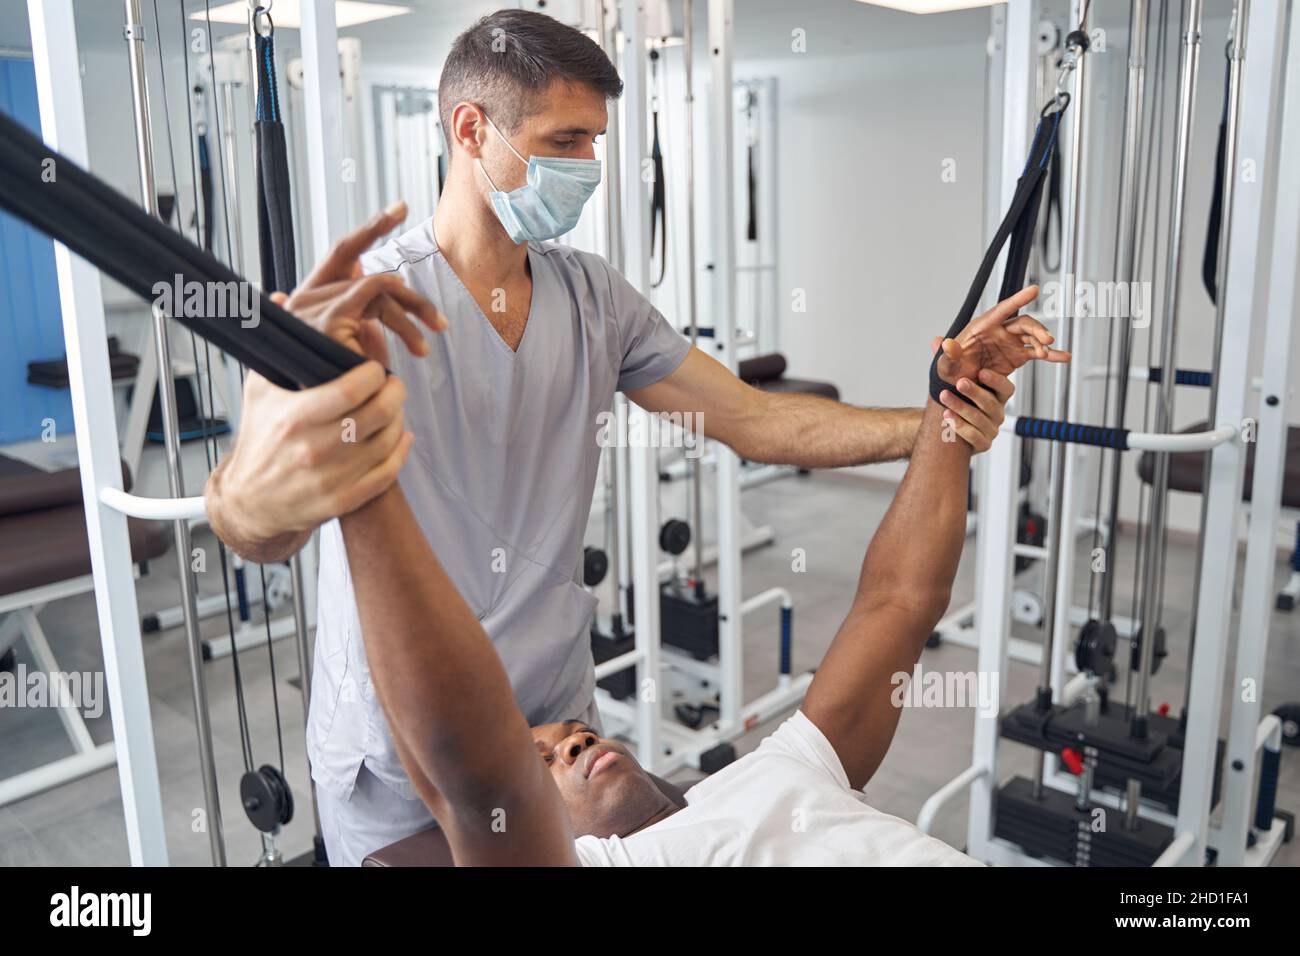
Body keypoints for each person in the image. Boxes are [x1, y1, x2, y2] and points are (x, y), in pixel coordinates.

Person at [204, 9, 1062, 865]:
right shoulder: (370, 312)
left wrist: (940, 419)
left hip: (555, 715)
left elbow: (752, 419)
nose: (588, 168)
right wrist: (244, 498)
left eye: (594, 145)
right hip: (404, 754)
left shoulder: (593, 296)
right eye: (566, 140)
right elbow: (256, 527)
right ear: (472, 130)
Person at [337, 285, 1062, 865]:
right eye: (547, 762)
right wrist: (358, 482)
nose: (576, 742)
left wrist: (950, 404)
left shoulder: (786, 765)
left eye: (564, 735)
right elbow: (457, 765)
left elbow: (899, 601)